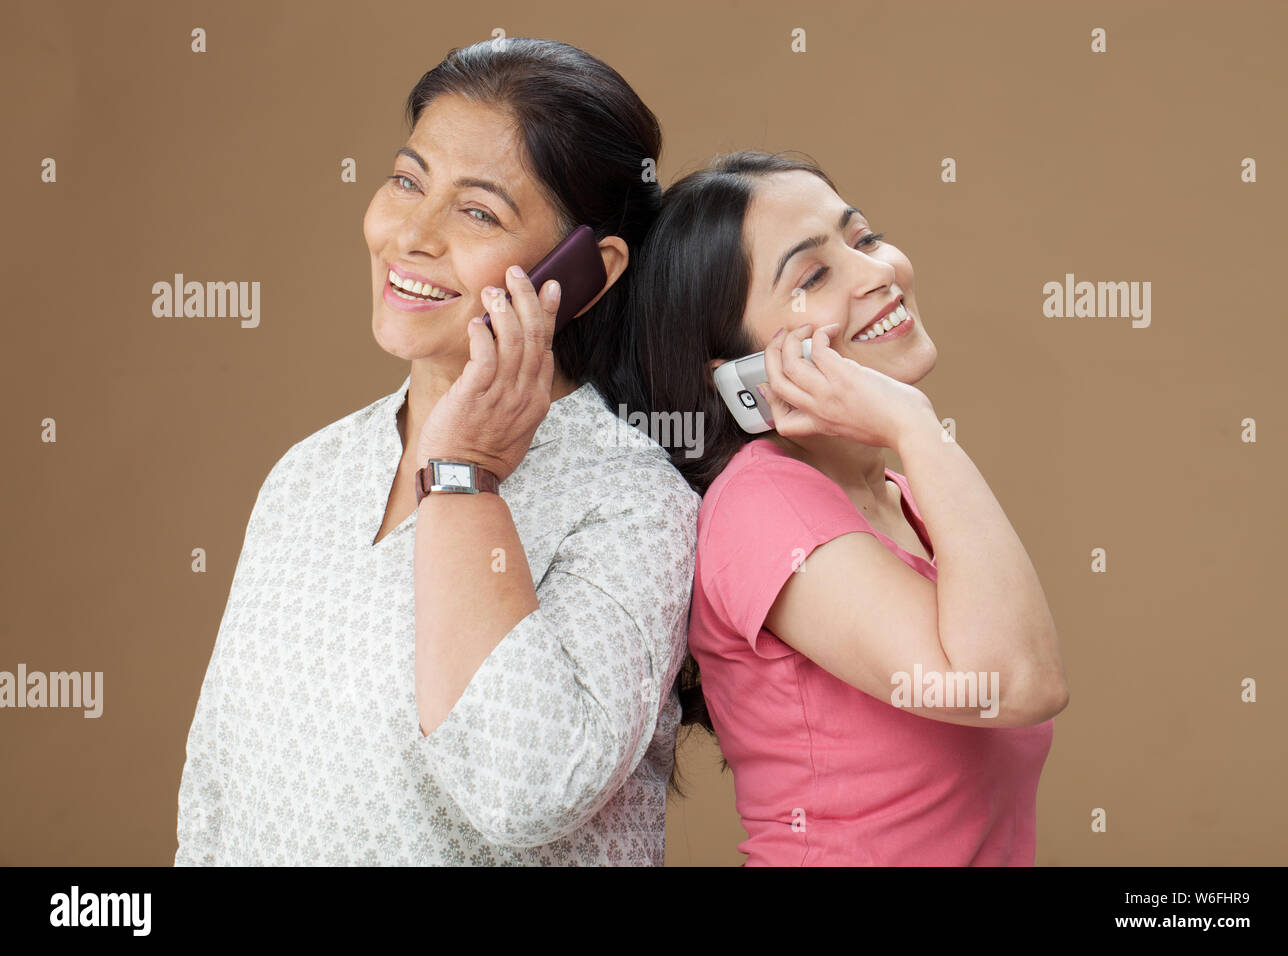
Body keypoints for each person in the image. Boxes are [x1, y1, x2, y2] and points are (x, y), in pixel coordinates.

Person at [174, 38, 698, 866]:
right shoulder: (308, 474)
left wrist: (463, 479)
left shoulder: (632, 504)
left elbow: (524, 793)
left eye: (478, 211)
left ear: (586, 273)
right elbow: (214, 793)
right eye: (408, 181)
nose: (411, 235)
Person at [629, 151, 1069, 866]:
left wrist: (914, 440)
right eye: (813, 276)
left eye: (862, 239)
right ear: (741, 376)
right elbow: (1017, 682)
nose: (878, 272)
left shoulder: (908, 493)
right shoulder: (761, 503)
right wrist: (917, 424)